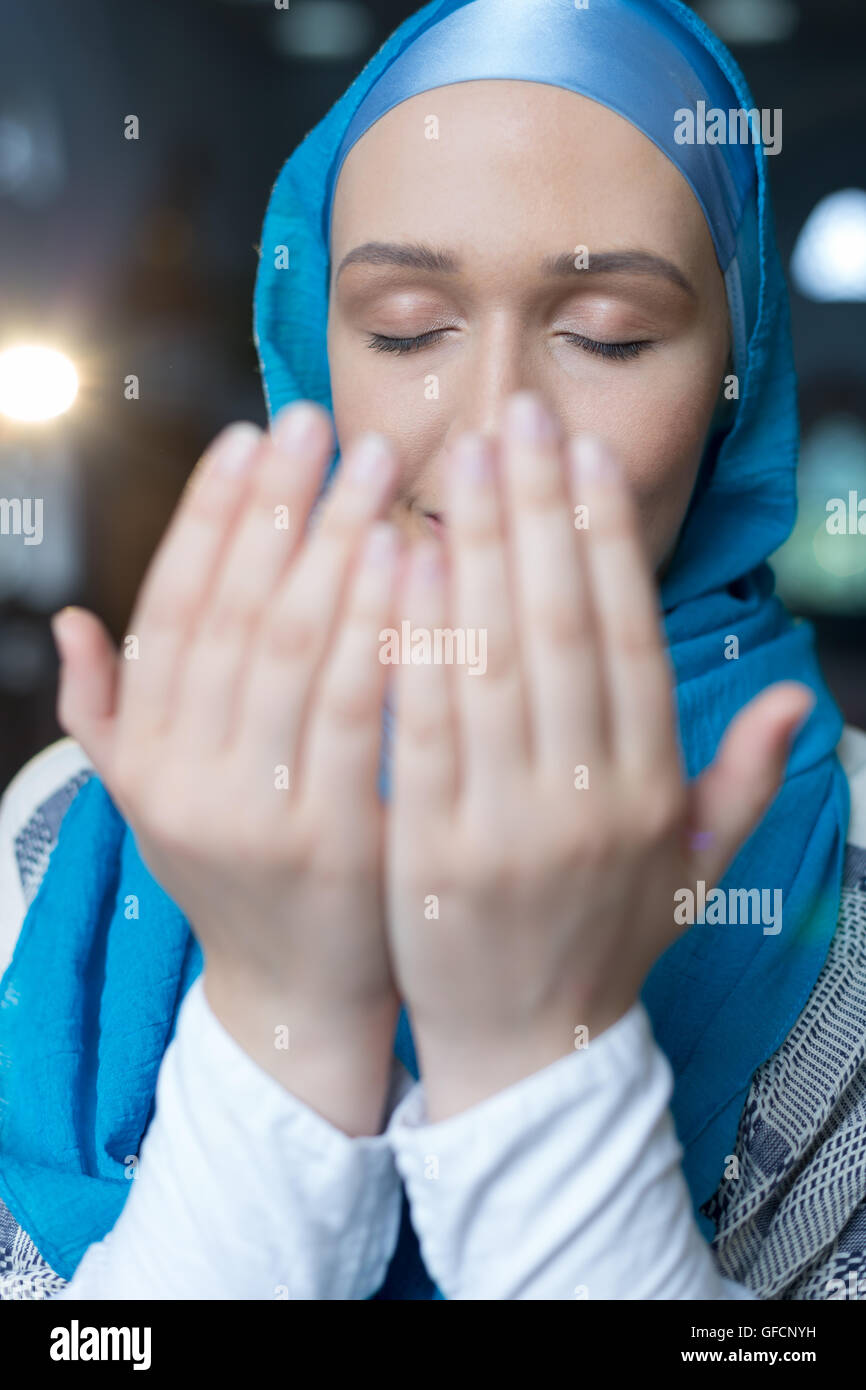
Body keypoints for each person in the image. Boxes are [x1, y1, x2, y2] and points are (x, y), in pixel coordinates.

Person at [1, 0, 864, 1301]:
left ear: (732, 374)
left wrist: (537, 1073)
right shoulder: (77, 819)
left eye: (609, 334)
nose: (489, 426)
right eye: (404, 327)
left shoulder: (846, 875)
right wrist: (281, 1035)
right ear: (316, 353)